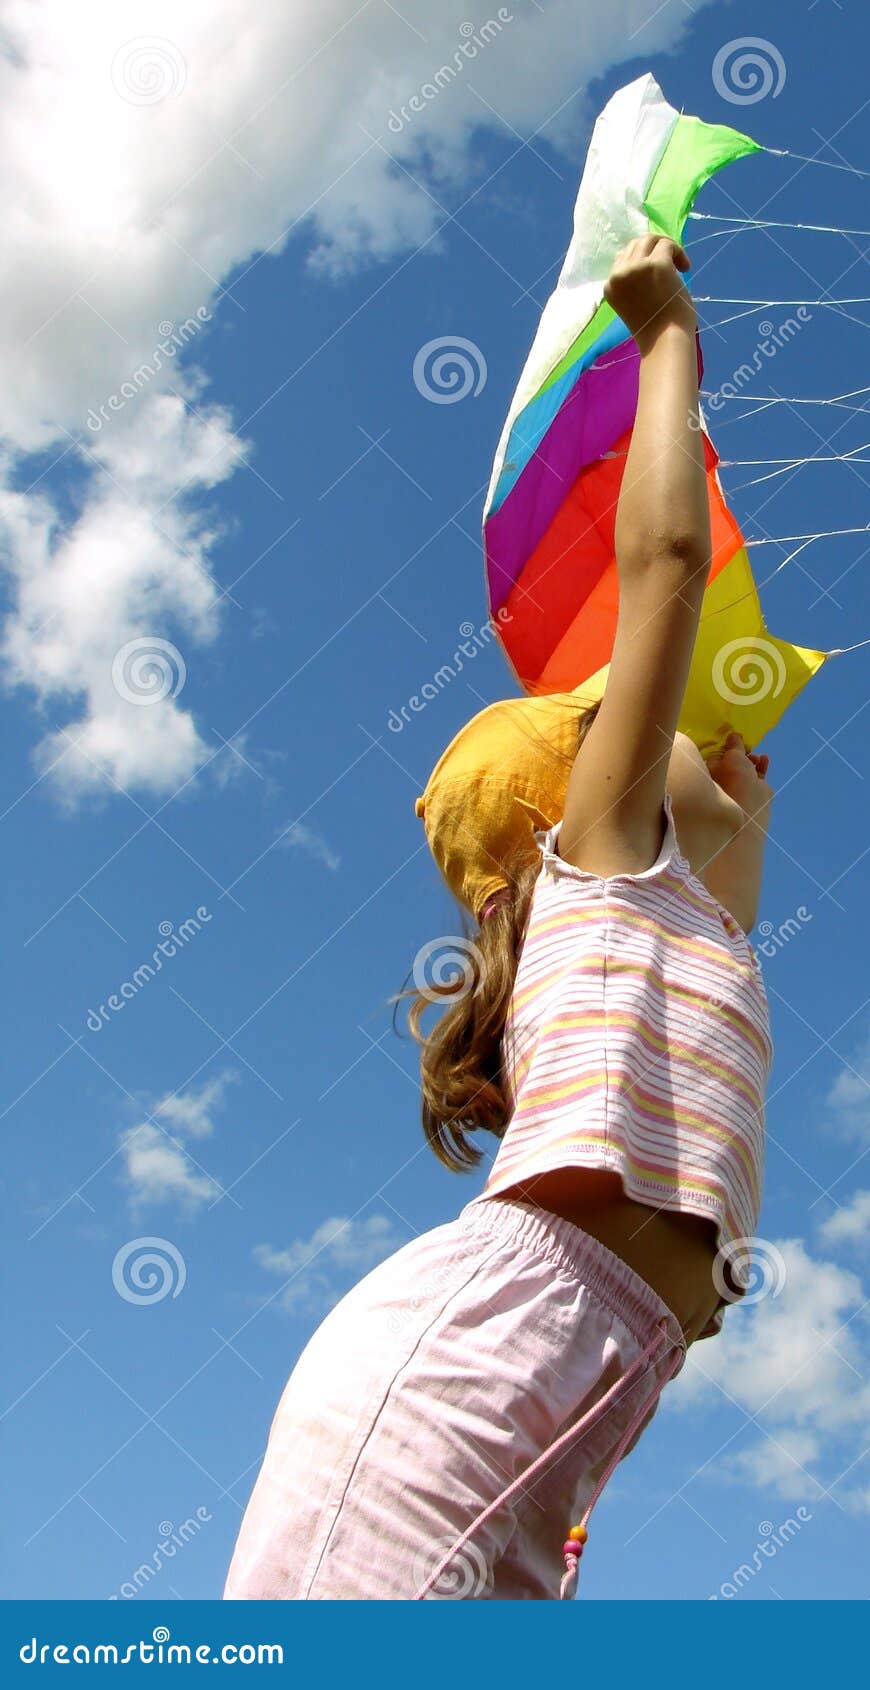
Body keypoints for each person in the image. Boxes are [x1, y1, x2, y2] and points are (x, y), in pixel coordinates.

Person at [223, 235, 774, 1602]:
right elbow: (662, 571)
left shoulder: (685, 926)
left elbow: (738, 841)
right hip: (467, 1370)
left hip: (560, 1405)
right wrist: (665, 343)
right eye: (614, 727)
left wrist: (746, 778)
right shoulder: (603, 864)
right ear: (568, 809)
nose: (672, 718)